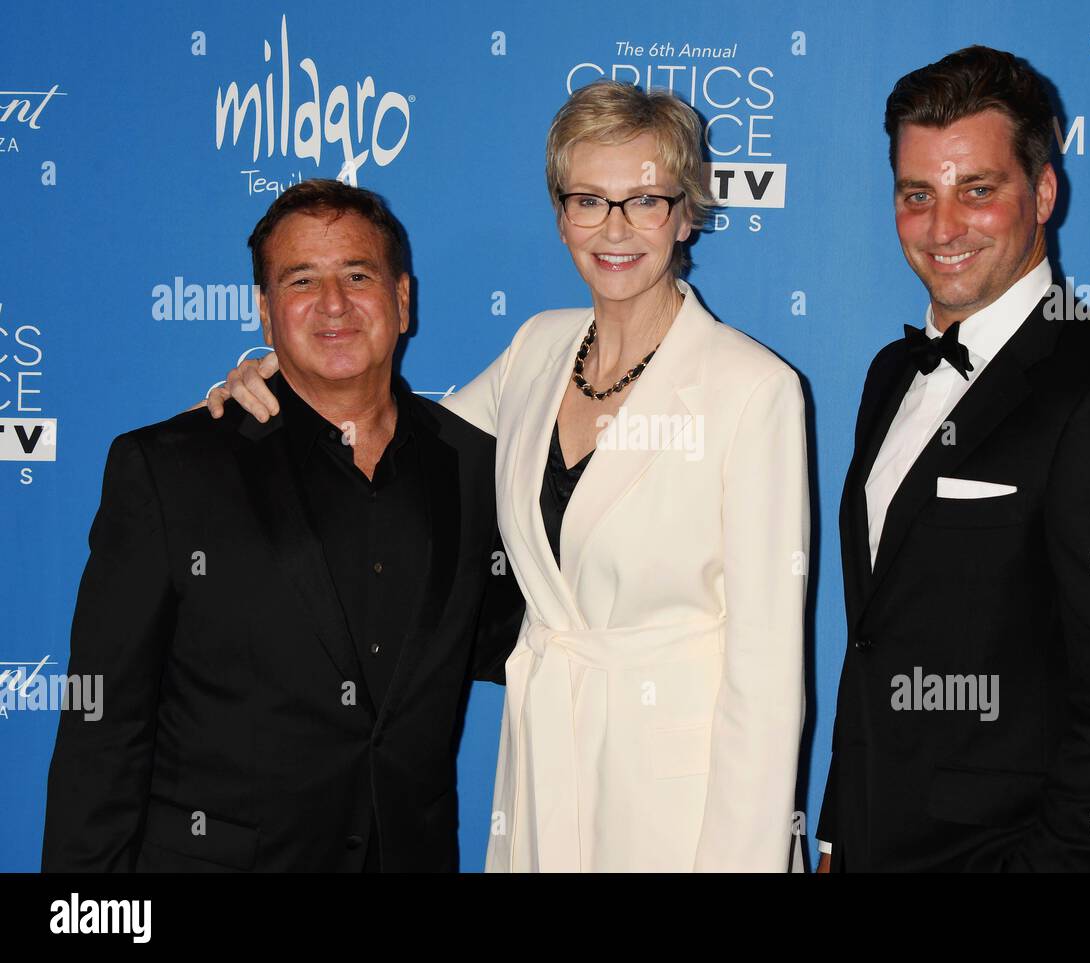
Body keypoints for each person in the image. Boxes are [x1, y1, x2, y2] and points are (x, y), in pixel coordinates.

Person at [209, 80, 810, 872]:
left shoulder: (752, 389)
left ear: (686, 211)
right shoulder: (538, 349)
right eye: (589, 199)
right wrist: (270, 383)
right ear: (561, 216)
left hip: (679, 804)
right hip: (542, 776)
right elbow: (388, 436)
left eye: (646, 200)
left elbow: (766, 684)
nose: (616, 227)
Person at [44, 180, 521, 872]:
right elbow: (101, 727)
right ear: (266, 315)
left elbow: (532, 635)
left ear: (403, 299)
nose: (333, 303)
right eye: (302, 280)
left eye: (358, 275)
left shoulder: (475, 467)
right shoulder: (169, 469)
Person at [816, 46, 1090, 872]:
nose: (942, 227)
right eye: (917, 194)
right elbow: (877, 643)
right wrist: (835, 833)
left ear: (1045, 193)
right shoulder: (893, 374)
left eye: (977, 190)